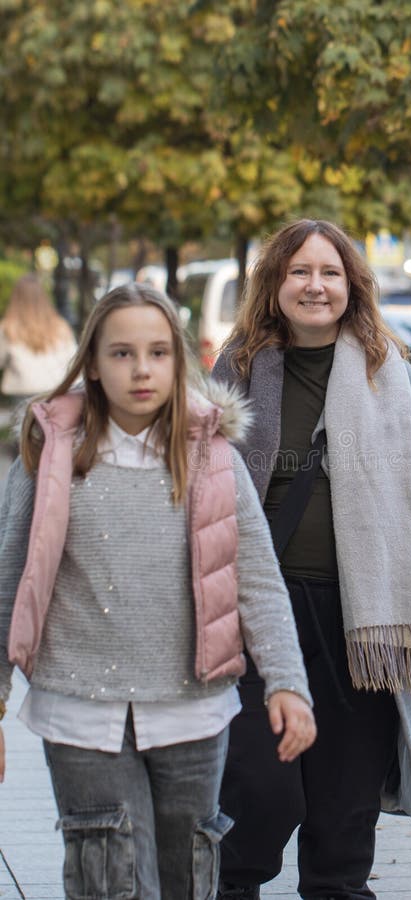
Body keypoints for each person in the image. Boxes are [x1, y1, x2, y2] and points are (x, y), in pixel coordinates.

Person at [0, 282, 316, 900]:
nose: (141, 369)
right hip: (79, 710)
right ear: (91, 362)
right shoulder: (50, 453)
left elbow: (255, 578)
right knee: (111, 884)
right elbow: (9, 577)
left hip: (192, 710)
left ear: (178, 359)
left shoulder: (212, 455)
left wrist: (287, 682)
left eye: (157, 352)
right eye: (121, 353)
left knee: (186, 879)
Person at [212, 219, 411, 900]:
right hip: (255, 619)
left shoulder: (393, 380)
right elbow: (192, 493)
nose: (315, 285)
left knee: (342, 821)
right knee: (258, 796)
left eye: (329, 272)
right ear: (275, 285)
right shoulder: (236, 373)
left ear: (352, 285)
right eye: (299, 272)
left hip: (359, 625)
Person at [0, 273, 77, 398]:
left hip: (21, 391)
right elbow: (74, 360)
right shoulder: (61, 327)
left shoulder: (8, 328)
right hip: (55, 389)